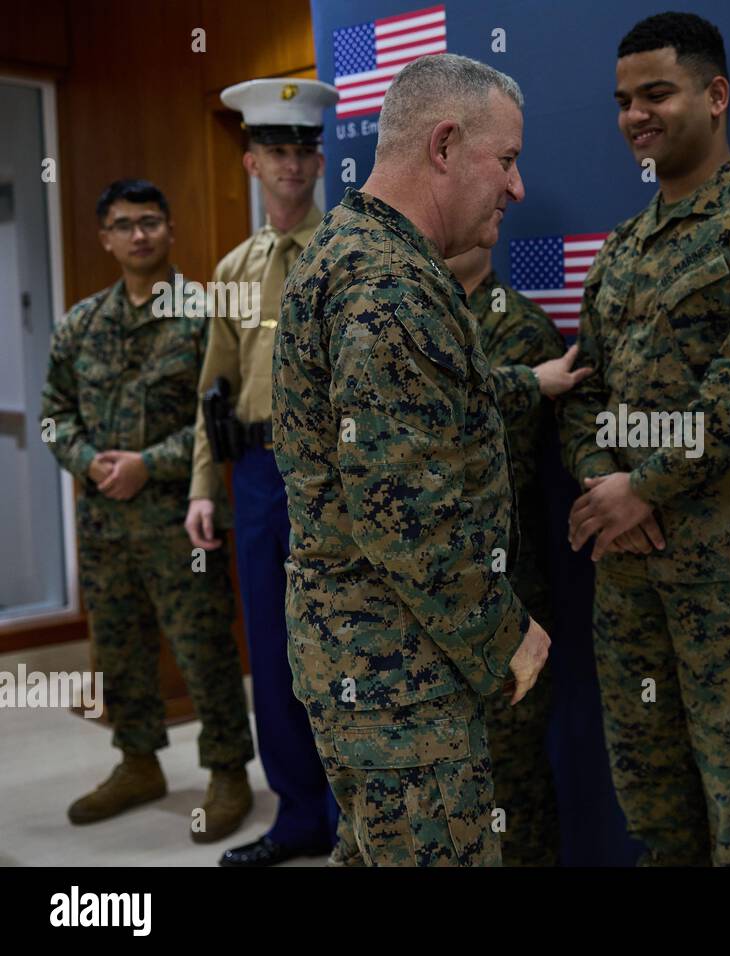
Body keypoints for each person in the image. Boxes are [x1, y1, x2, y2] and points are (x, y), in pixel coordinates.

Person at [557, 12, 730, 866]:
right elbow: (578, 391)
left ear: (715, 96)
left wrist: (640, 487)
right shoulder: (620, 252)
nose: (635, 115)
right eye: (622, 100)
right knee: (651, 801)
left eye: (656, 93)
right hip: (628, 573)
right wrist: (607, 485)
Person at [273, 53, 550, 867]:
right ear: (443, 144)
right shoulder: (391, 286)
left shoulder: (345, 252)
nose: (516, 186)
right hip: (401, 677)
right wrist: (508, 635)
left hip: (367, 664)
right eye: (506, 160)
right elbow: (408, 520)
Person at [42, 179, 254, 842]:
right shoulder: (81, 324)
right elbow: (54, 418)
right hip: (106, 528)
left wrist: (148, 464)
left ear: (169, 230)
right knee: (120, 652)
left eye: (151, 222)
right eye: (125, 224)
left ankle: (227, 774)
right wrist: (86, 461)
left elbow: (218, 416)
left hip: (180, 522)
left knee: (205, 652)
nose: (139, 235)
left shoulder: (202, 314)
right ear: (105, 237)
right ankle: (137, 763)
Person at [184, 77, 343, 867]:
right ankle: (298, 816)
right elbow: (213, 389)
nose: (292, 164)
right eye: (276, 151)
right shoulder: (235, 269)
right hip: (252, 474)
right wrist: (202, 489)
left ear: (319, 161)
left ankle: (356, 818)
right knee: (273, 652)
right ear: (251, 163)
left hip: (327, 474)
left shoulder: (343, 251)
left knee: (341, 644)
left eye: (304, 150)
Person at [447, 244, 585, 865]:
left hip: (498, 589)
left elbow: (490, 465)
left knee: (508, 777)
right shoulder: (409, 315)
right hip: (424, 589)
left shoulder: (516, 326)